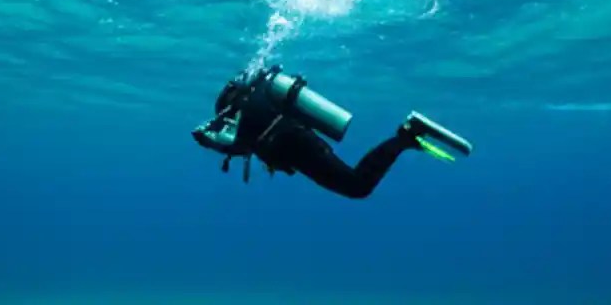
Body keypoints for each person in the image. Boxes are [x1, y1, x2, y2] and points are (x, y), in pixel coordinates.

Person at [191, 66, 472, 199]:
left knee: (356, 186)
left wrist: (207, 139)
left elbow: (238, 146)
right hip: (300, 143)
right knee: (354, 185)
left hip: (299, 147)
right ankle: (405, 139)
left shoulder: (247, 116)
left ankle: (407, 135)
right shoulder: (258, 102)